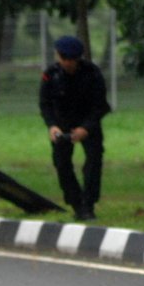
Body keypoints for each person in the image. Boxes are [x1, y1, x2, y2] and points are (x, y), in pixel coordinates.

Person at [39, 35, 111, 221]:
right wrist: (52, 126)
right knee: (62, 164)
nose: (67, 63)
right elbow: (45, 104)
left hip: (88, 123)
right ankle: (76, 203)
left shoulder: (92, 74)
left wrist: (85, 129)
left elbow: (100, 105)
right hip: (61, 124)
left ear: (78, 58)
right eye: (63, 58)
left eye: (71, 59)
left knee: (94, 162)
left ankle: (89, 204)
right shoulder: (51, 75)